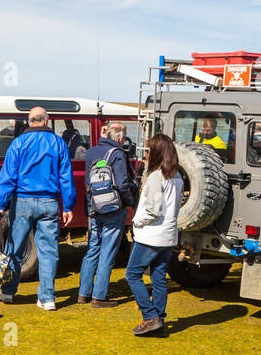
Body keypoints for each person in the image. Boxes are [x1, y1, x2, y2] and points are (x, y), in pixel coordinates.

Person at [0, 106, 76, 311]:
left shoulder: (18, 143)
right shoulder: (58, 143)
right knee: (48, 251)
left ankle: (8, 292)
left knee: (15, 248)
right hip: (50, 201)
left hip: (22, 201)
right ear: (46, 121)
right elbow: (66, 176)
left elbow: (8, 176)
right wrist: (69, 205)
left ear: (29, 122)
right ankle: (47, 298)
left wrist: (1, 206)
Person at [126, 133, 183, 336]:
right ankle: (159, 321)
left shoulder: (155, 177)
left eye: (149, 149)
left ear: (156, 152)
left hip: (152, 235)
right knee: (158, 277)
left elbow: (153, 210)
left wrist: (136, 221)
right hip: (169, 235)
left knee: (132, 274)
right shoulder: (177, 177)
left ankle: (150, 316)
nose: (147, 153)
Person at [78, 121, 135, 307]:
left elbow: (88, 181)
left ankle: (83, 294)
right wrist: (129, 203)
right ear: (120, 138)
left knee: (92, 250)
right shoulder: (118, 154)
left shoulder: (92, 152)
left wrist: (89, 207)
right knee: (107, 251)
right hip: (113, 209)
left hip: (94, 207)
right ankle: (99, 297)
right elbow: (122, 183)